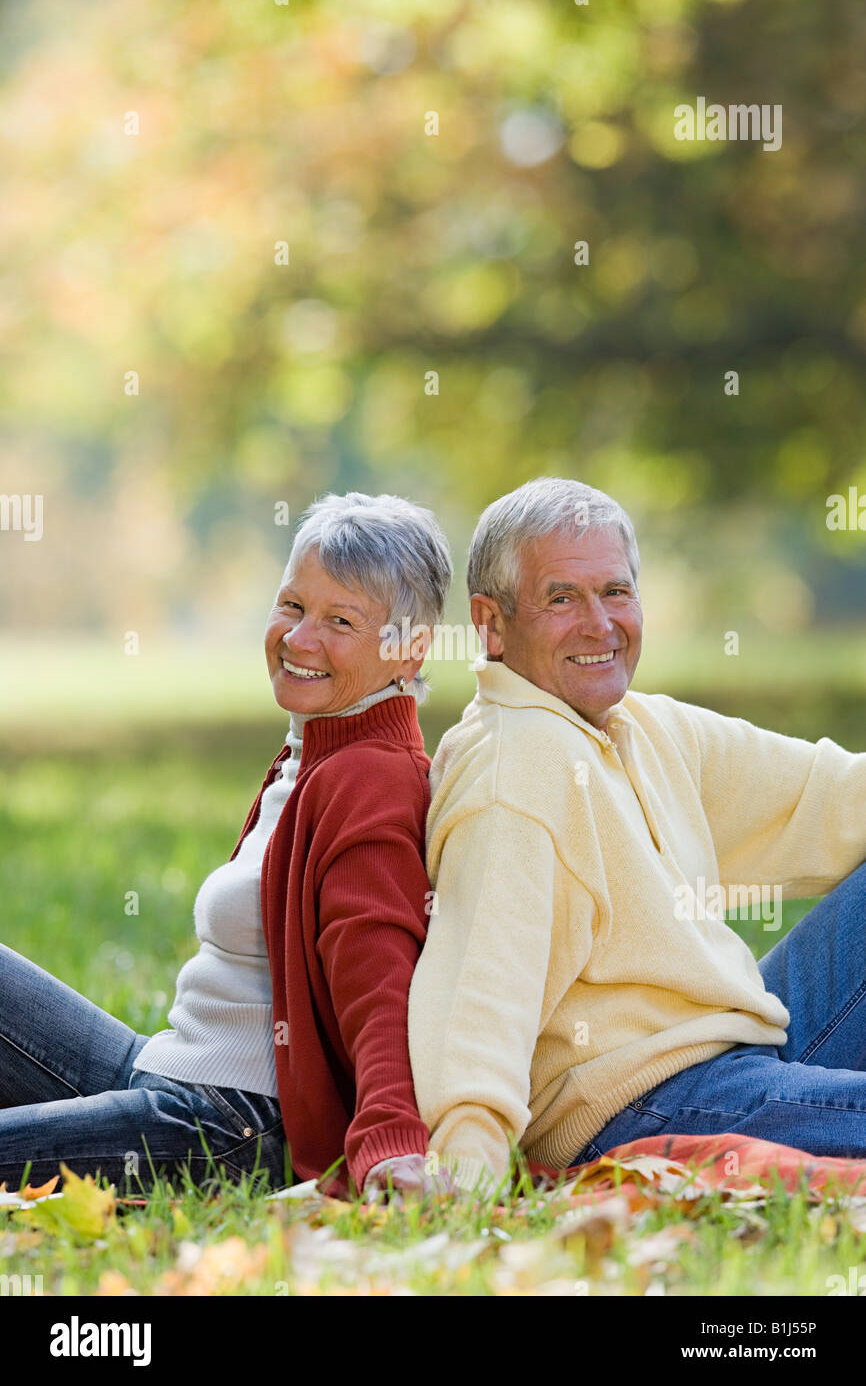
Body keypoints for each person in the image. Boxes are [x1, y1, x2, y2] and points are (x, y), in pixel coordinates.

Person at [408, 475, 866, 1197]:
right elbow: (480, 985)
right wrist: (468, 1161)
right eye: (562, 598)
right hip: (637, 1104)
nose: (600, 624)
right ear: (491, 624)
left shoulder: (641, 726)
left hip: (740, 1045)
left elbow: (834, 795)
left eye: (615, 593)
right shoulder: (515, 767)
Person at [0, 491, 453, 1200]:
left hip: (226, 1129)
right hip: (166, 1071)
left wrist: (392, 1141)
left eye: (341, 621)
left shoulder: (372, 778)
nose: (300, 639)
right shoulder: (314, 748)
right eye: (292, 605)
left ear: (410, 649)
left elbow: (381, 976)